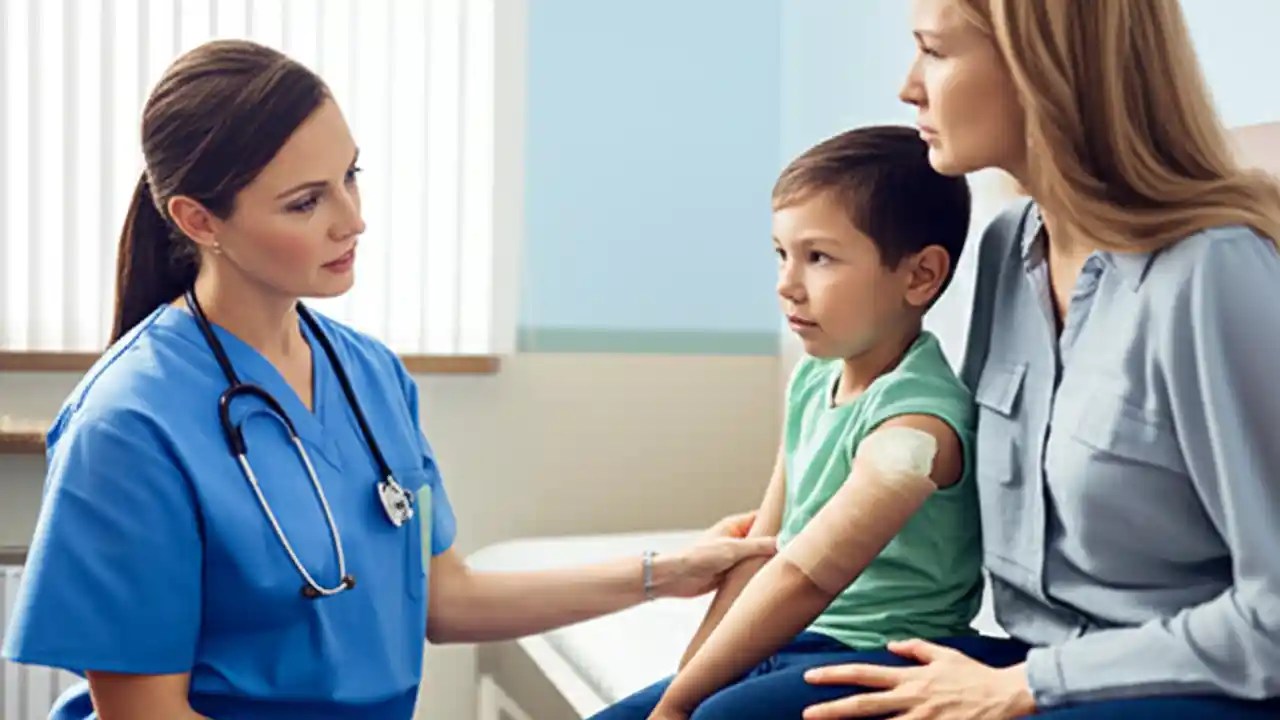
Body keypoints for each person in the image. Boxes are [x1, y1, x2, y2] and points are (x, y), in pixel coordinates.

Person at [0, 40, 776, 720]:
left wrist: (661, 573)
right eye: (307, 201)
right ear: (200, 221)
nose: (352, 219)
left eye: (350, 177)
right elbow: (144, 716)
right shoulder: (130, 424)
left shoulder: (367, 374)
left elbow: (445, 598)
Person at [797, 1, 1280, 718]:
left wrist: (1023, 686)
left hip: (1183, 683)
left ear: (1044, 73)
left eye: (933, 51)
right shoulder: (1007, 244)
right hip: (1032, 656)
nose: (908, 86)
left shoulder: (1212, 273)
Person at [590, 125, 998, 720]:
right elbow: (764, 548)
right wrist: (689, 679)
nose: (787, 284)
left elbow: (807, 574)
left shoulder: (918, 423)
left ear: (919, 276)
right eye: (782, 254)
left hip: (885, 653)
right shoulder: (813, 380)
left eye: (819, 258)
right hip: (789, 641)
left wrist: (682, 706)